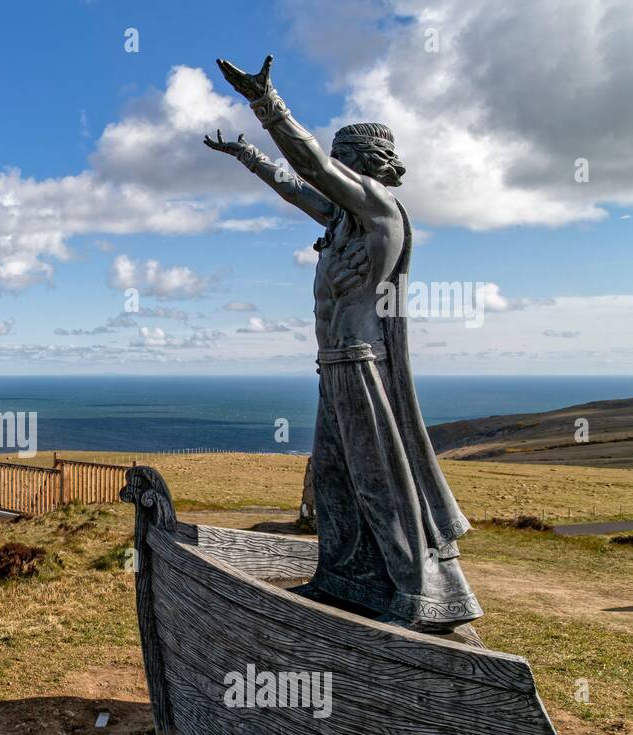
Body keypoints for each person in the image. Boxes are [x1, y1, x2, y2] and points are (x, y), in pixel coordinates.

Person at [205, 55, 482, 635]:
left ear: (362, 163)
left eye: (342, 159)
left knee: (379, 477)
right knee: (335, 478)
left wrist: (267, 107)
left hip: (360, 361)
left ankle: (420, 592)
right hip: (333, 364)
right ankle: (346, 578)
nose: (333, 169)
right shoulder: (342, 224)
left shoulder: (380, 209)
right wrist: (246, 156)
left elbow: (309, 165)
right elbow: (296, 185)